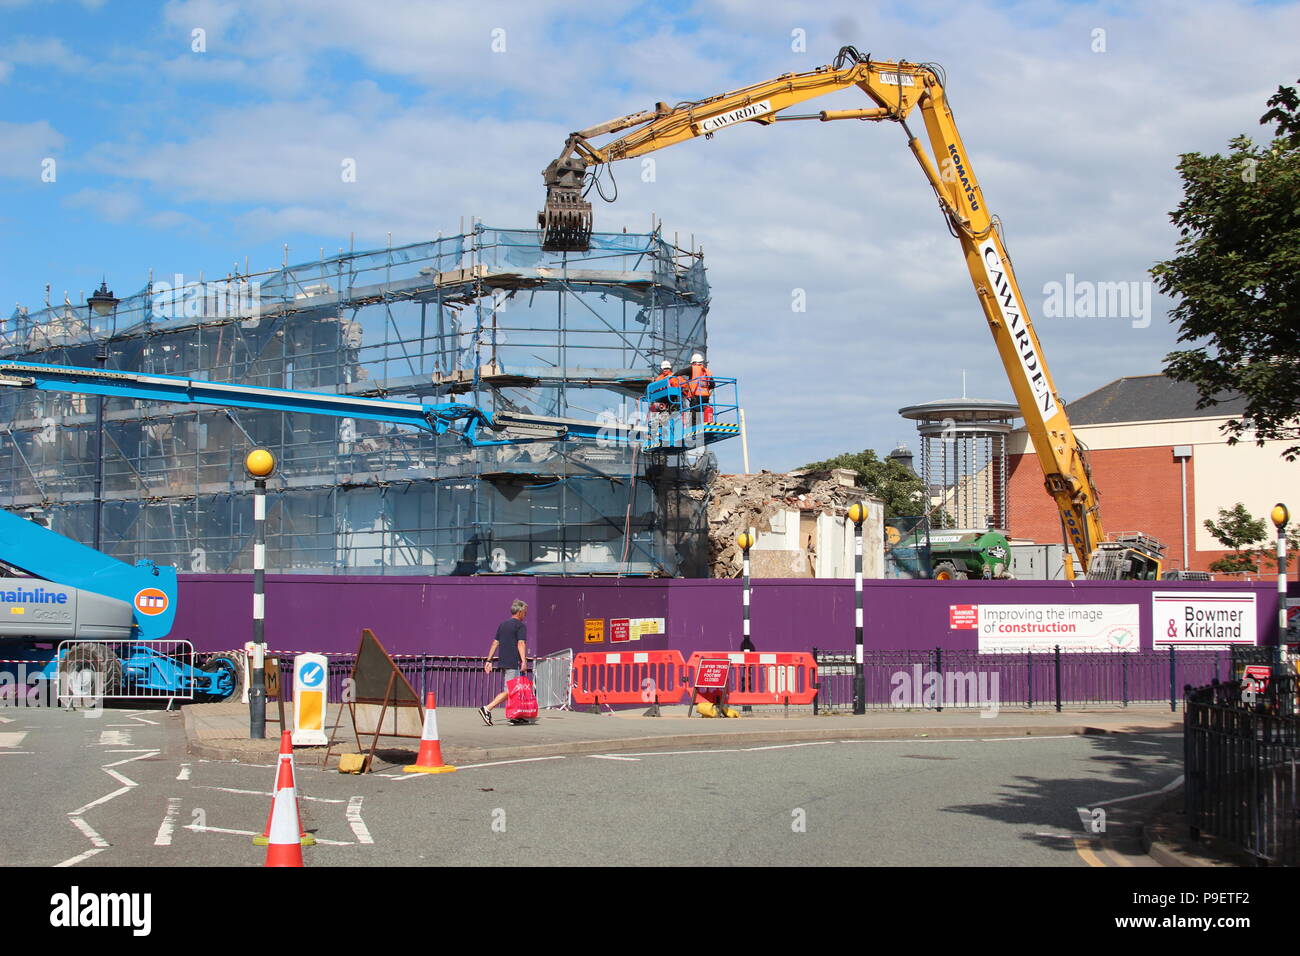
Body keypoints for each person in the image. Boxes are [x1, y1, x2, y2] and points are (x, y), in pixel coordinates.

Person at [479, 598, 528, 725]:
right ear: (520, 612)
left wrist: (489, 660)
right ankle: (487, 708)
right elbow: (521, 643)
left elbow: (495, 643)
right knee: (510, 691)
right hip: (512, 662)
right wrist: (523, 660)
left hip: (503, 662)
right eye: (525, 612)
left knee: (515, 690)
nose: (525, 615)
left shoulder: (503, 625)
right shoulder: (520, 626)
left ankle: (515, 715)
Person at [685, 352, 714, 425]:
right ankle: (707, 424)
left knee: (695, 414)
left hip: (696, 397)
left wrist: (673, 377)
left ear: (694, 362)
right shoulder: (707, 371)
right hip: (705, 397)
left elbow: (680, 372)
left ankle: (695, 429)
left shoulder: (693, 369)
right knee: (704, 410)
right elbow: (713, 385)